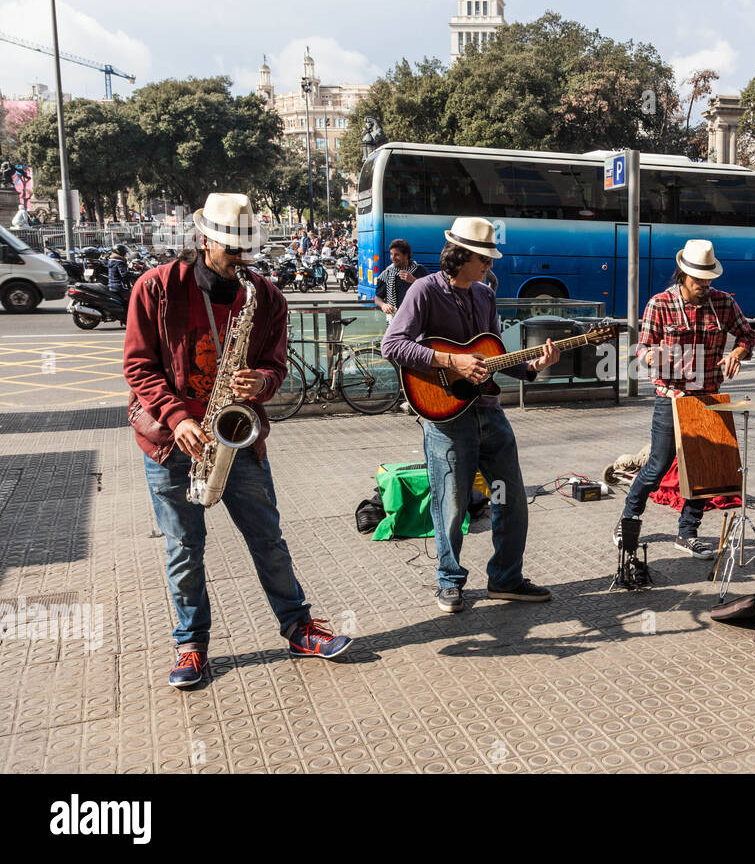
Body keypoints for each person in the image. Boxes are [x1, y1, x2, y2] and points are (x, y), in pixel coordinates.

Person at [122, 192, 353, 688]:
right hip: (171, 440)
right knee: (185, 546)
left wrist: (263, 383)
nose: (243, 262)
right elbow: (139, 366)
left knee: (267, 538)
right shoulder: (157, 288)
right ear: (204, 240)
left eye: (248, 251)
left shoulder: (265, 296)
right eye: (233, 252)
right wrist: (177, 416)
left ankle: (297, 627)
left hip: (237, 436)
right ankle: (190, 646)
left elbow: (275, 363)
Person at [381, 217, 559, 612]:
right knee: (453, 504)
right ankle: (449, 581)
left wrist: (533, 365)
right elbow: (391, 345)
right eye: (485, 259)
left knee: (508, 498)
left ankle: (506, 579)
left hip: (490, 415)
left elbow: (493, 356)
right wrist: (450, 361)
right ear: (461, 256)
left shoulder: (484, 294)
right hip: (446, 418)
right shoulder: (425, 291)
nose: (490, 267)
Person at [614, 239, 755, 561]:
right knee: (658, 465)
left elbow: (748, 334)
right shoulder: (659, 304)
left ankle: (688, 533)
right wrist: (651, 356)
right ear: (683, 274)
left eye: (708, 280)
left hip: (708, 397)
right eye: (698, 281)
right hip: (671, 397)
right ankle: (628, 519)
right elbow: (641, 348)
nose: (704, 286)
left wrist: (736, 353)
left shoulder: (723, 303)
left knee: (705, 469)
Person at [373, 238, 427, 322]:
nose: (393, 258)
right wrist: (383, 305)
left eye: (397, 255)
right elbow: (377, 298)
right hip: (395, 321)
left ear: (406, 255)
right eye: (391, 254)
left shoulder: (420, 270)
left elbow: (432, 289)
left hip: (418, 319)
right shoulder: (386, 274)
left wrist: (414, 281)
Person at [106, 244, 132, 309]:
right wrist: (134, 276)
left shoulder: (111, 260)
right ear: (121, 253)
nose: (125, 254)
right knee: (133, 298)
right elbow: (124, 275)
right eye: (125, 253)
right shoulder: (119, 262)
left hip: (111, 286)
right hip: (118, 287)